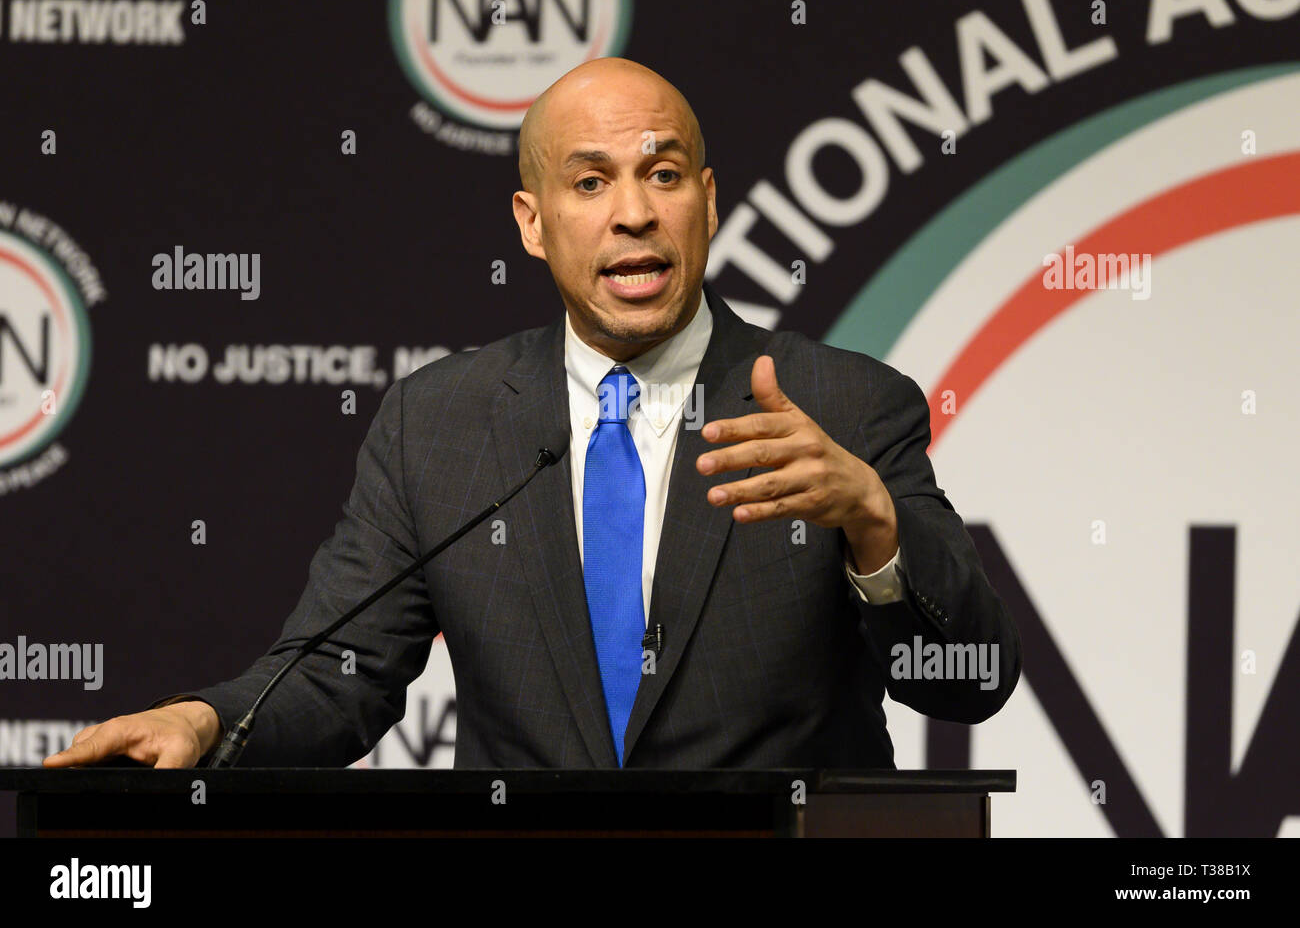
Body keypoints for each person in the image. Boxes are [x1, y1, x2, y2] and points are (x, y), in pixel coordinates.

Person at [46, 57, 1020, 771]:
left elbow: (967, 680)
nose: (632, 212)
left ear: (708, 203)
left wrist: (874, 526)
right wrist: (207, 722)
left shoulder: (845, 404)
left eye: (663, 174)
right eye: (590, 182)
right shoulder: (438, 427)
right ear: (532, 221)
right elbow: (340, 673)